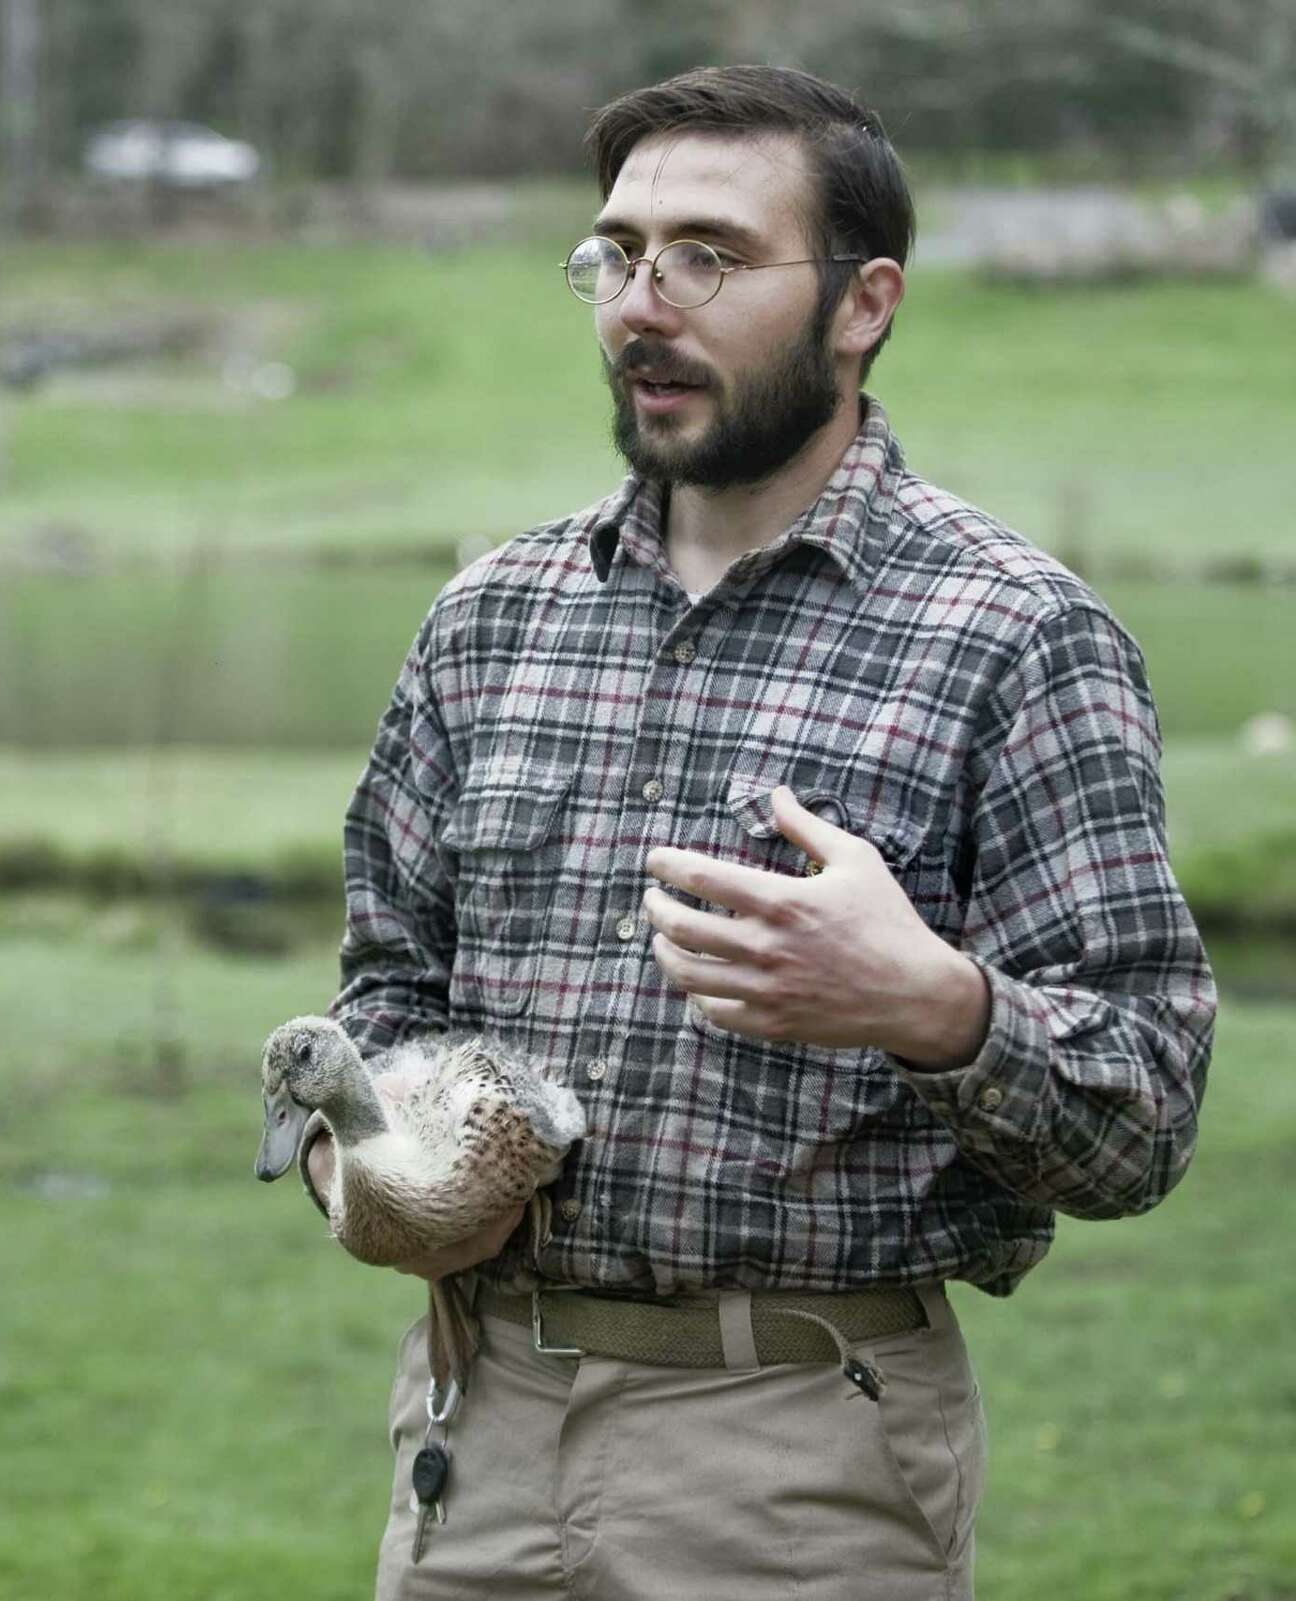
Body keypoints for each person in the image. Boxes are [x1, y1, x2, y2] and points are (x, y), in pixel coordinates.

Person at [296, 63, 1217, 1601]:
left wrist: (931, 1005)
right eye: (619, 254)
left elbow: (1150, 1107)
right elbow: (387, 992)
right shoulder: (488, 622)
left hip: (802, 1448)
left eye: (709, 258)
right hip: (478, 1434)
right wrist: (378, 1160)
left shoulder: (1012, 636)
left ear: (863, 304)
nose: (642, 306)